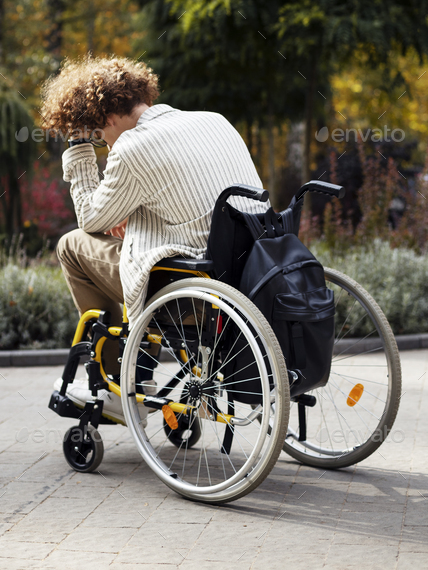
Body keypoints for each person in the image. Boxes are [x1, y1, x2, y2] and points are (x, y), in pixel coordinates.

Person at [40, 55, 265, 423]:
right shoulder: (213, 121)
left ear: (109, 119)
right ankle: (137, 372)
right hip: (250, 273)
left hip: (193, 289)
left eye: (101, 135)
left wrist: (80, 148)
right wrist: (136, 215)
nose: (106, 144)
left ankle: (119, 381)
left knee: (72, 245)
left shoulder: (133, 147)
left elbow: (91, 220)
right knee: (128, 242)